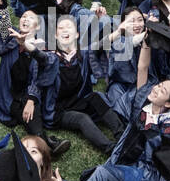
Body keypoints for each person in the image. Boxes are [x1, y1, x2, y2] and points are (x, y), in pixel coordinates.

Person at [75, 40, 170, 181]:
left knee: (103, 174)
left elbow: (162, 166)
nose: (156, 89)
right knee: (94, 176)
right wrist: (147, 42)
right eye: (158, 85)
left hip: (143, 176)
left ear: (169, 103)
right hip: (125, 159)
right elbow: (142, 68)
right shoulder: (146, 106)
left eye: (162, 90)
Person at [0, 2, 70, 157]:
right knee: (22, 109)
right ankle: (48, 144)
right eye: (23, 16)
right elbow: (4, 22)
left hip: (30, 94)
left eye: (30, 17)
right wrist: (1, 0)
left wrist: (31, 99)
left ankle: (45, 144)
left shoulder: (41, 46)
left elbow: (45, 67)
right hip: (8, 95)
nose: (25, 19)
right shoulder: (11, 38)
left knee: (29, 109)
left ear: (37, 26)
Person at [47, 14, 125, 155]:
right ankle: (111, 149)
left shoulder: (81, 54)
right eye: (61, 28)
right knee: (82, 119)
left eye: (69, 27)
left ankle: (122, 135)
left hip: (78, 101)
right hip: (58, 110)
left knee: (96, 97)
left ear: (77, 34)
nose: (65, 30)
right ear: (56, 36)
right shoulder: (50, 58)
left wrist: (118, 32)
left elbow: (98, 46)